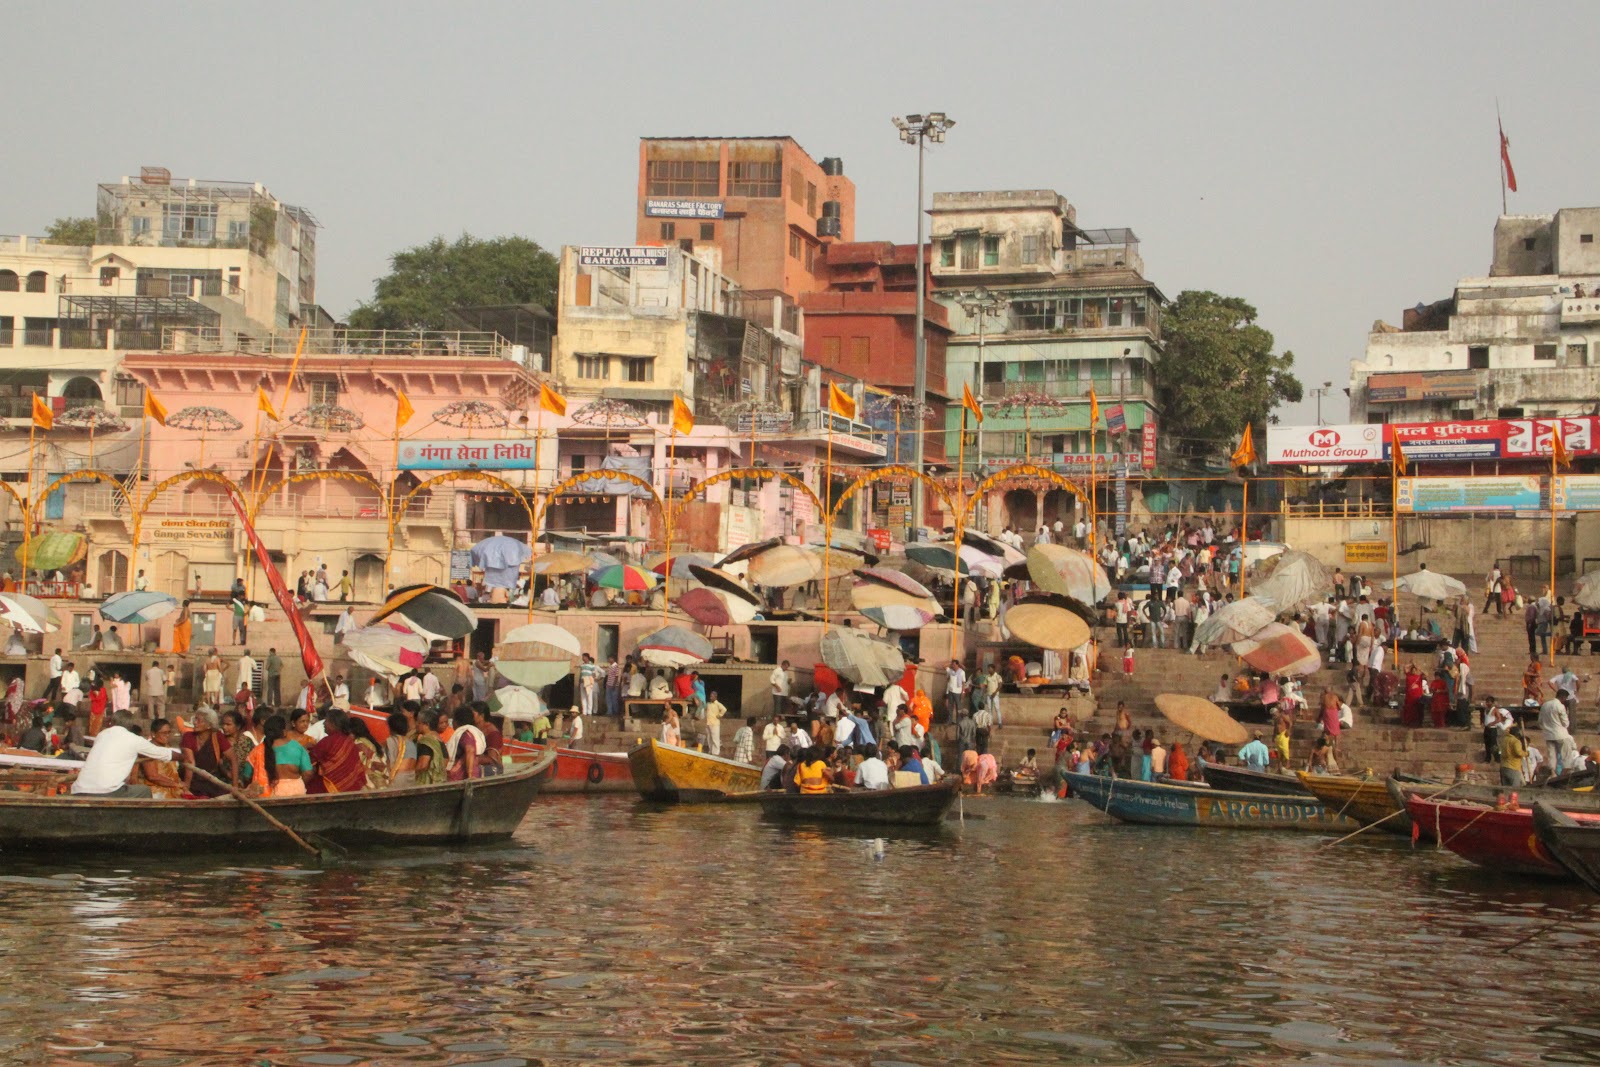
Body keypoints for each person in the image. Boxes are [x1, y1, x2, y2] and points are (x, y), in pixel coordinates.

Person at [70, 713, 192, 798]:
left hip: (78, 789)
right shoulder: (134, 739)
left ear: (113, 723)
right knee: (144, 791)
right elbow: (165, 754)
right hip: (106, 791)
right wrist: (183, 757)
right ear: (130, 726)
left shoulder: (102, 735)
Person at [306, 710, 368, 793]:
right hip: (352, 788)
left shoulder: (328, 741)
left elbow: (309, 761)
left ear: (333, 724)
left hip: (331, 789)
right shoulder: (348, 741)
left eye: (326, 721)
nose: (323, 724)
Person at [181, 708, 232, 798]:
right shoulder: (188, 737)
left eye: (199, 721)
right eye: (195, 719)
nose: (195, 723)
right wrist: (187, 788)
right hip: (194, 780)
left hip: (213, 780)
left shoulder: (217, 736)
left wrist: (234, 786)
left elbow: (233, 758)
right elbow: (190, 763)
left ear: (209, 725)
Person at [1539, 689, 1576, 776]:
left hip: (1548, 734)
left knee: (1552, 755)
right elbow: (1565, 723)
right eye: (1565, 698)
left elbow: (1540, 721)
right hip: (1561, 734)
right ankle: (1565, 774)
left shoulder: (1545, 705)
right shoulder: (1560, 706)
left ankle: (1553, 773)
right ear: (1563, 697)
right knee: (1566, 755)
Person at [413, 713, 447, 786]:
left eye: (419, 722)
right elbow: (445, 760)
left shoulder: (426, 740)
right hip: (439, 783)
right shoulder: (440, 741)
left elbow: (423, 764)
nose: (416, 724)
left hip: (426, 784)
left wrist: (411, 775)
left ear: (427, 724)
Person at [703, 690, 726, 756]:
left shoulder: (718, 704)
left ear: (715, 697)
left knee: (715, 738)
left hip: (715, 723)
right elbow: (705, 709)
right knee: (709, 738)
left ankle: (716, 752)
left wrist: (719, 715)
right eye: (710, 696)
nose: (710, 698)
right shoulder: (708, 704)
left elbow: (724, 709)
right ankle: (711, 750)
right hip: (708, 723)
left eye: (712, 696)